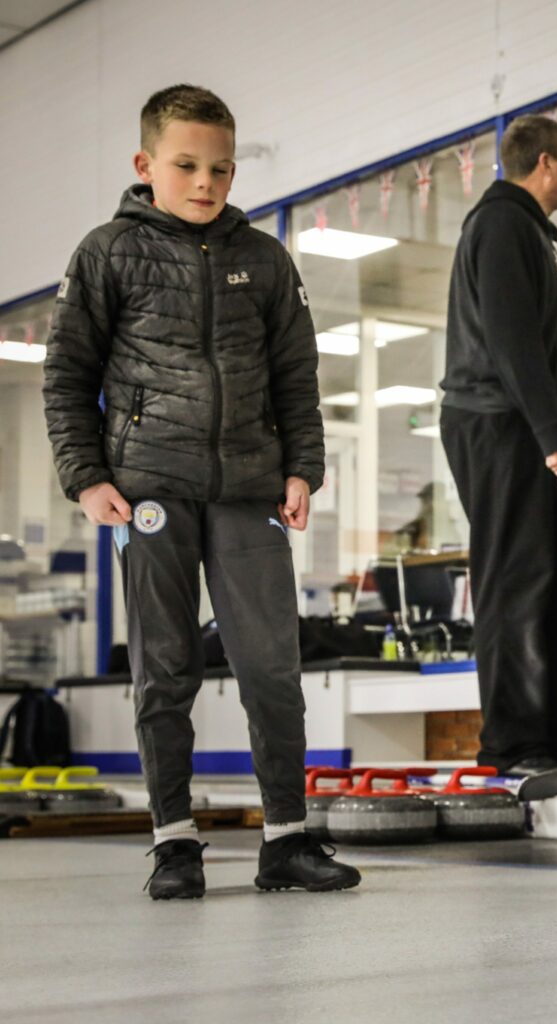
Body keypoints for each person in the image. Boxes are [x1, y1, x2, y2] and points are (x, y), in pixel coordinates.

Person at [42, 85, 359, 899]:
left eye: (219, 167)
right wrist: (86, 480)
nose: (206, 181)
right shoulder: (107, 252)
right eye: (186, 165)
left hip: (250, 487)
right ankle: (174, 841)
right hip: (148, 489)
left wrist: (303, 468)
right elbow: (68, 378)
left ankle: (286, 837)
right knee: (165, 667)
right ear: (147, 165)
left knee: (272, 668)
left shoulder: (265, 258)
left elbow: (296, 378)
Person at [439, 114, 557, 797]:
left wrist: (556, 433)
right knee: (515, 581)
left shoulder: (531, 233)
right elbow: (510, 339)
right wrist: (555, 436)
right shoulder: (500, 224)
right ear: (547, 163)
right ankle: (512, 743)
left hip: (528, 426)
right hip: (498, 424)